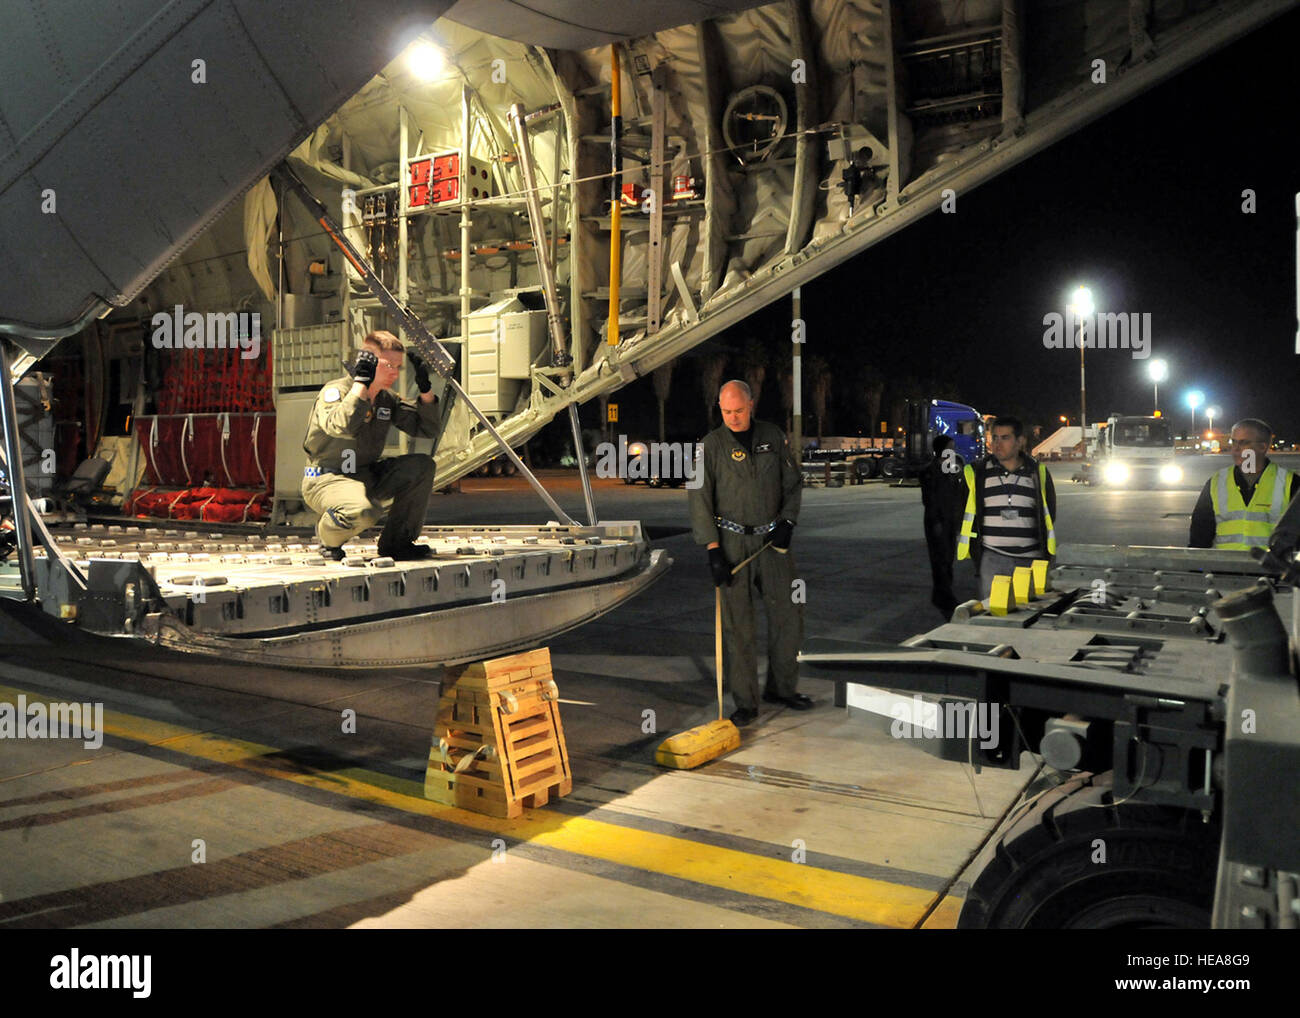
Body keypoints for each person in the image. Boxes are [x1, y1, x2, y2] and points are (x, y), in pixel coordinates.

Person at [689, 379, 807, 726]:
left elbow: (793, 483)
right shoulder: (709, 447)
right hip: (732, 545)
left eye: (739, 410)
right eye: (726, 411)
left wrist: (788, 521)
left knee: (789, 616)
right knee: (739, 626)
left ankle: (782, 688)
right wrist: (712, 550)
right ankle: (745, 701)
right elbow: (699, 499)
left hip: (773, 544)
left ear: (751, 404)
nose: (733, 417)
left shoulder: (773, 436)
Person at [301, 329, 442, 561]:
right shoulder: (336, 391)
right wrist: (361, 383)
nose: (395, 373)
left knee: (422, 466)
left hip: (365, 474)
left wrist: (425, 391)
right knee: (364, 512)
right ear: (367, 362)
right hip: (327, 477)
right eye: (389, 365)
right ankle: (328, 537)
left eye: (398, 367)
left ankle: (397, 543)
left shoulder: (386, 399)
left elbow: (427, 429)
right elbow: (342, 426)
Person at [957, 415, 1057, 600]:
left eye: (1005, 438)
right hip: (993, 559)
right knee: (994, 614)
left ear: (1020, 441)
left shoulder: (1037, 472)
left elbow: (1049, 513)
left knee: (1030, 614)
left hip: (1032, 559)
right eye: (994, 437)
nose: (997, 444)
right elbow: (965, 512)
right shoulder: (978, 473)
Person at [1188, 417, 1297, 550]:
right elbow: (1199, 536)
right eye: (1233, 442)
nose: (1235, 449)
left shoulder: (1291, 483)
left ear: (1263, 447)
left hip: (1271, 569)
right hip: (1227, 569)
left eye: (1243, 443)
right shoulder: (1216, 482)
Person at [920, 433, 965, 616]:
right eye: (950, 447)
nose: (953, 450)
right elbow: (930, 500)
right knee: (939, 560)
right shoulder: (929, 471)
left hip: (949, 521)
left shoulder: (950, 468)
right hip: (936, 522)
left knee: (948, 559)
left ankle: (942, 594)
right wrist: (936, 522)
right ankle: (944, 596)